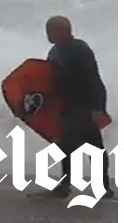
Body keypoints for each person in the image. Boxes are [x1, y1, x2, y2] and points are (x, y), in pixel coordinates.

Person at [44, 15, 113, 199]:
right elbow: (48, 79)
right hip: (66, 107)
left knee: (94, 148)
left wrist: (98, 108)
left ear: (63, 31)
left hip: (85, 105)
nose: (47, 35)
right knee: (65, 147)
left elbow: (93, 78)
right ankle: (65, 185)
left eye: (50, 31)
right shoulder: (55, 51)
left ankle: (103, 187)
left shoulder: (80, 49)